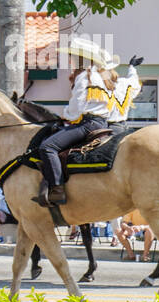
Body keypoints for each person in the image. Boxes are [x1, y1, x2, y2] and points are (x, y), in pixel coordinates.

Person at [37, 38, 118, 206]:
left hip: (88, 123)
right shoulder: (103, 78)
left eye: (73, 57)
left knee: (47, 147)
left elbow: (76, 109)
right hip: (103, 123)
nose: (71, 60)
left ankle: (57, 189)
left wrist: (65, 115)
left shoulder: (84, 77)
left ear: (81, 59)